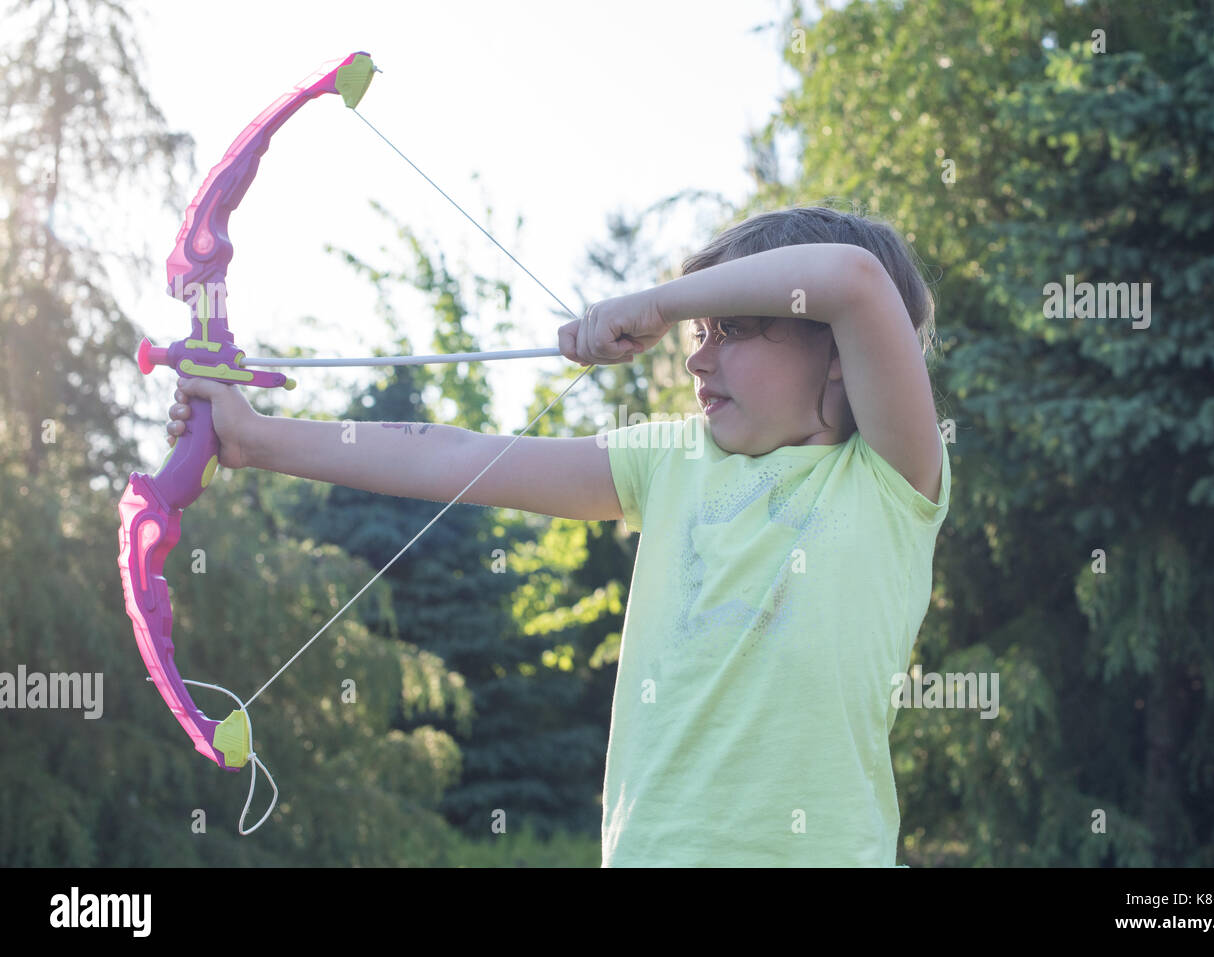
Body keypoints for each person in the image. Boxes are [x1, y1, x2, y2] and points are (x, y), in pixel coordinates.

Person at [167, 204, 950, 866]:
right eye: (697, 330)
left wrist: (658, 302)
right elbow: (458, 456)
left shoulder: (890, 479)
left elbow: (854, 281)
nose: (695, 355)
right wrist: (254, 439)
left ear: (840, 353)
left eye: (730, 329)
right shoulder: (674, 460)